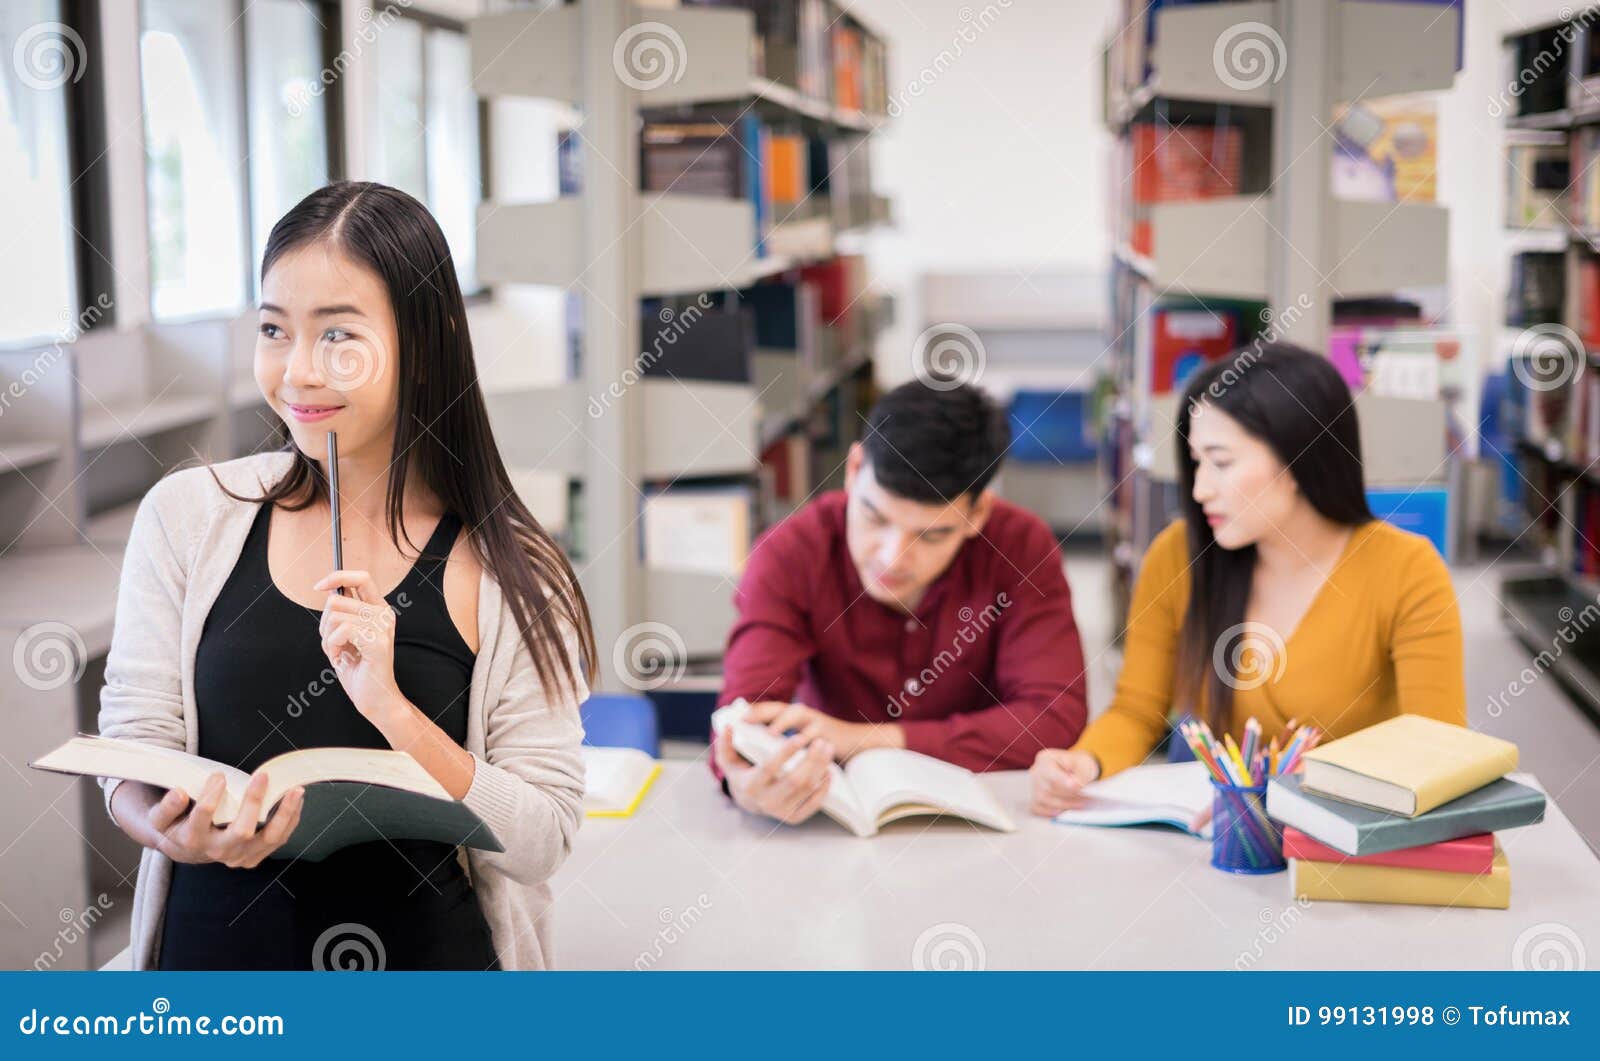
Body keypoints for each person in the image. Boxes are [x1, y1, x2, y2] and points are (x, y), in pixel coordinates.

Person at [97, 181, 595, 970]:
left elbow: (544, 839)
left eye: (337, 337)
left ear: (421, 348)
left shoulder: (511, 568)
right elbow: (134, 746)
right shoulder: (185, 517)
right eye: (273, 329)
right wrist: (160, 821)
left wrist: (395, 712)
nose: (297, 372)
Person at [1029, 343, 1466, 818]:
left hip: (1347, 856)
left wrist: (1277, 804)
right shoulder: (1178, 555)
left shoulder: (1406, 570)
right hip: (1220, 854)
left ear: (1298, 457)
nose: (1199, 490)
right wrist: (1083, 763)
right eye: (1195, 463)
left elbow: (1435, 751)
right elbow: (1137, 712)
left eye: (1221, 462)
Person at [712, 378, 1089, 824]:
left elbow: (1052, 717)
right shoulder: (790, 553)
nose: (894, 557)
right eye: (875, 516)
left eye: (932, 535)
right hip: (830, 824)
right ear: (853, 470)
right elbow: (744, 715)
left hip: (983, 822)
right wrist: (744, 782)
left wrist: (865, 739)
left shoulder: (1020, 546)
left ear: (977, 513)